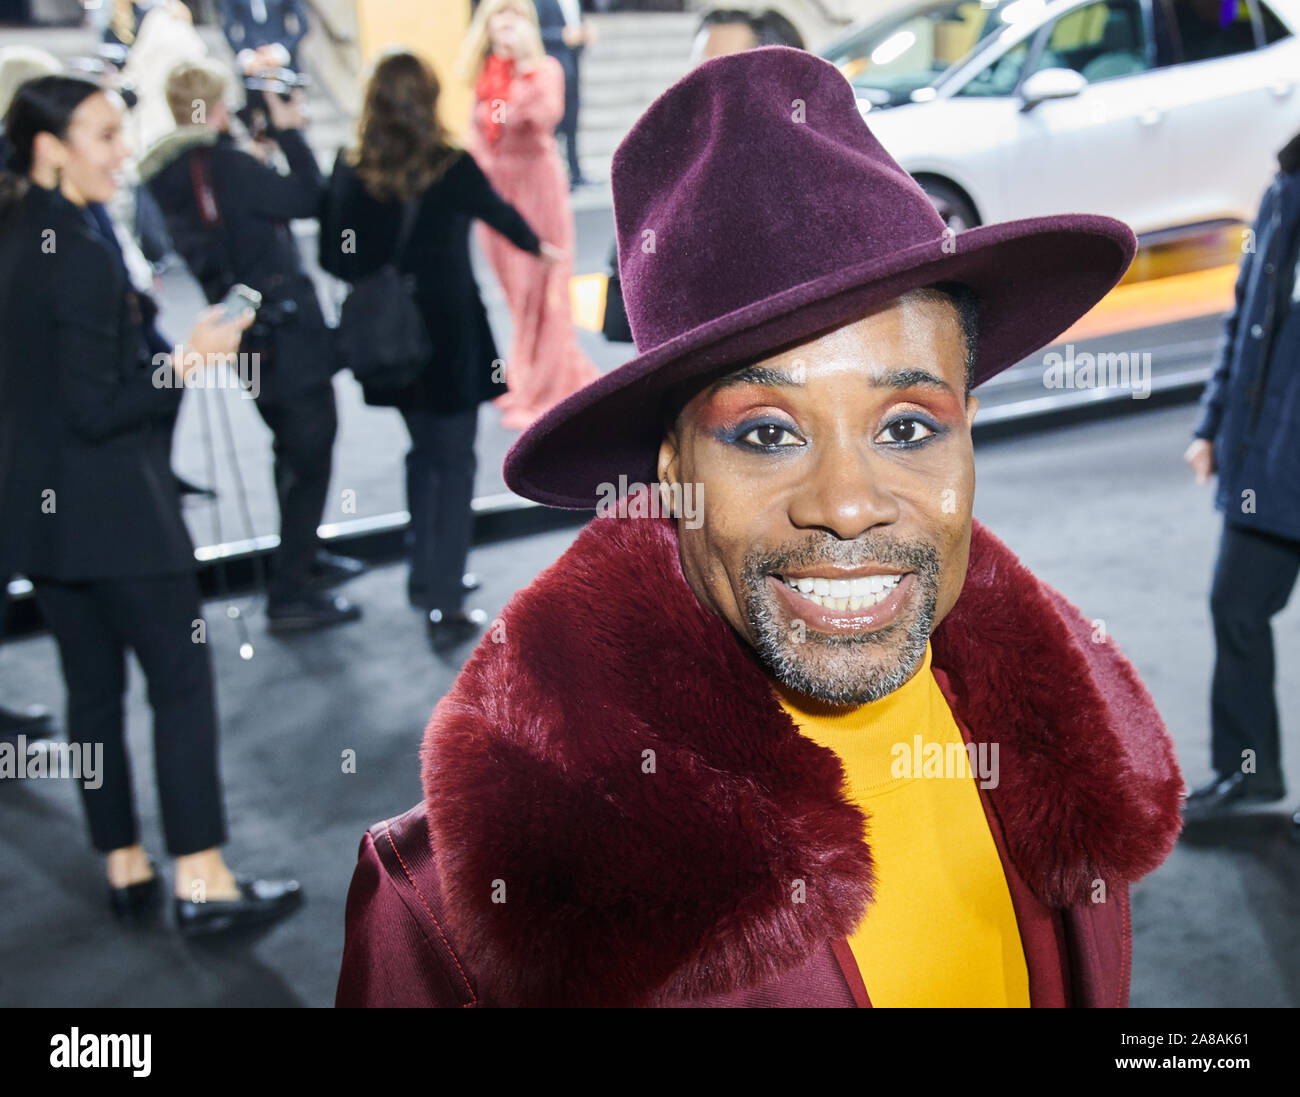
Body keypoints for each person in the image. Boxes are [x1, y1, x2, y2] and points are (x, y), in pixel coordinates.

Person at [335, 48, 1184, 1008]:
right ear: (671, 467)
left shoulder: (1071, 772)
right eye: (767, 432)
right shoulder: (458, 928)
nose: (850, 503)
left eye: (907, 426)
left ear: (968, 433)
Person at [0, 74, 303, 933]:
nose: (122, 151)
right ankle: (202, 880)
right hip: (121, 517)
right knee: (179, 686)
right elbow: (101, 406)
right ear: (49, 145)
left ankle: (124, 862)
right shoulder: (83, 253)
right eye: (103, 135)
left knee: (90, 696)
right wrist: (193, 357)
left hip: (39, 523)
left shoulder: (16, 235)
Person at [320, 51, 559, 648]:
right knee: (453, 463)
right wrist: (541, 247)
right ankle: (445, 601)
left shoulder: (351, 167)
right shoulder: (450, 164)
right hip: (448, 336)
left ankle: (425, 576)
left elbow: (334, 257)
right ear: (427, 103)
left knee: (423, 453)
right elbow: (501, 215)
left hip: (390, 340)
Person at [140, 57, 363, 631]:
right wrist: (289, 129)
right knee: (309, 454)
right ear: (216, 104)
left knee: (290, 451)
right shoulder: (228, 166)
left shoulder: (177, 175)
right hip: (286, 339)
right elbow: (311, 197)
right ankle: (291, 591)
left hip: (247, 337)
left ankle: (303, 560)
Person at [1182, 126, 1300, 821]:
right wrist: (1213, 422)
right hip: (1273, 459)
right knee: (1237, 606)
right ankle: (1247, 770)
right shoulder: (1285, 188)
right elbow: (1247, 320)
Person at [457, 0, 600, 431]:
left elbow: (543, 117)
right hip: (497, 197)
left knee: (543, 289)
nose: (506, 25)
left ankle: (547, 386)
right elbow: (476, 134)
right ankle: (527, 377)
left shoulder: (546, 70)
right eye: (499, 17)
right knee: (516, 295)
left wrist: (520, 69)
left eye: (515, 16)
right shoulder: (484, 74)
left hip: (538, 189)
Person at [533, 0, 596, 189]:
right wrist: (562, 36)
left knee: (572, 122)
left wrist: (584, 35)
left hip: (573, 68)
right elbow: (535, 32)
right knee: (555, 125)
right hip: (552, 70)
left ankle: (575, 172)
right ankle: (554, 173)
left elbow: (577, 27)